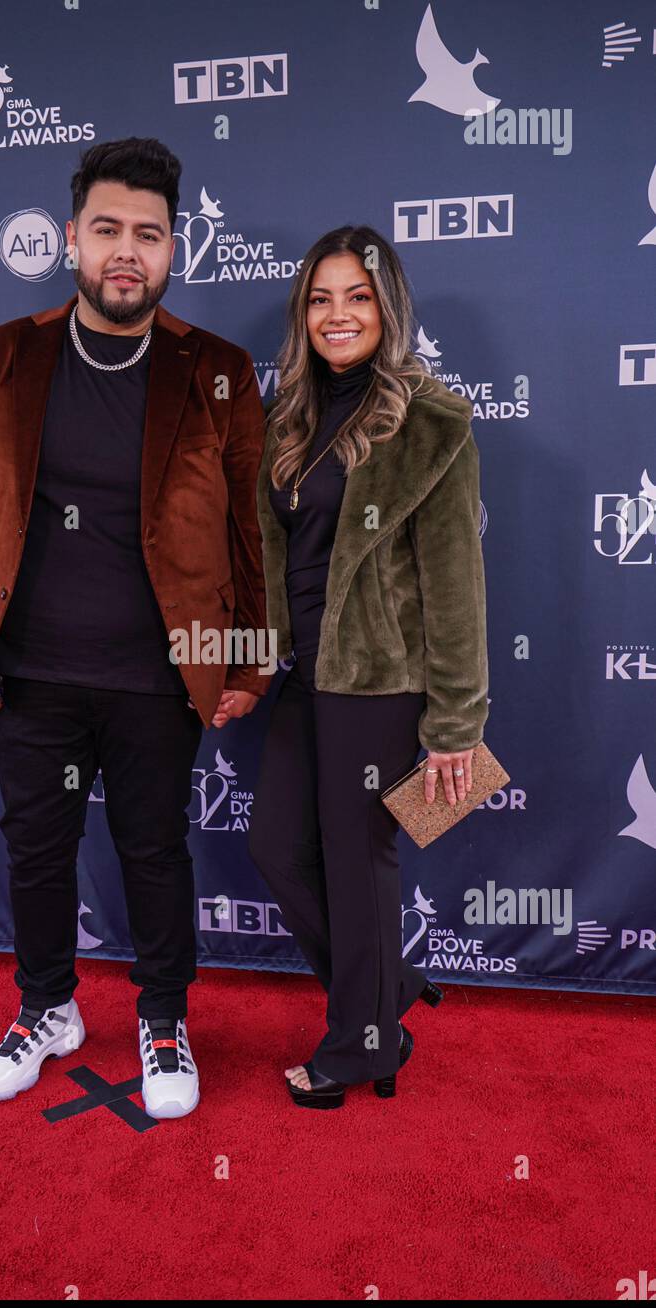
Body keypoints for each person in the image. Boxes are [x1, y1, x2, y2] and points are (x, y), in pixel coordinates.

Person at [0, 137, 271, 1120]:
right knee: (34, 849)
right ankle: (46, 1008)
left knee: (154, 848)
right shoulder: (5, 353)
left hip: (161, 674)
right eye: (109, 230)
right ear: (74, 238)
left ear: (174, 250)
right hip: (30, 670)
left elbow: (249, 527)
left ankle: (162, 1017)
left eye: (150, 235)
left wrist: (242, 656)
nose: (129, 252)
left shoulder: (210, 369)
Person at [247, 224, 489, 1109]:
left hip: (382, 684)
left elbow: (457, 583)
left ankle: (360, 1045)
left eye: (357, 297)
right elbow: (274, 565)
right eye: (321, 298)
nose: (338, 315)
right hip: (307, 679)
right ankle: (383, 995)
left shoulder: (430, 421)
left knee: (359, 863)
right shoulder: (288, 418)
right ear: (302, 313)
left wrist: (458, 725)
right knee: (275, 847)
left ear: (388, 310)